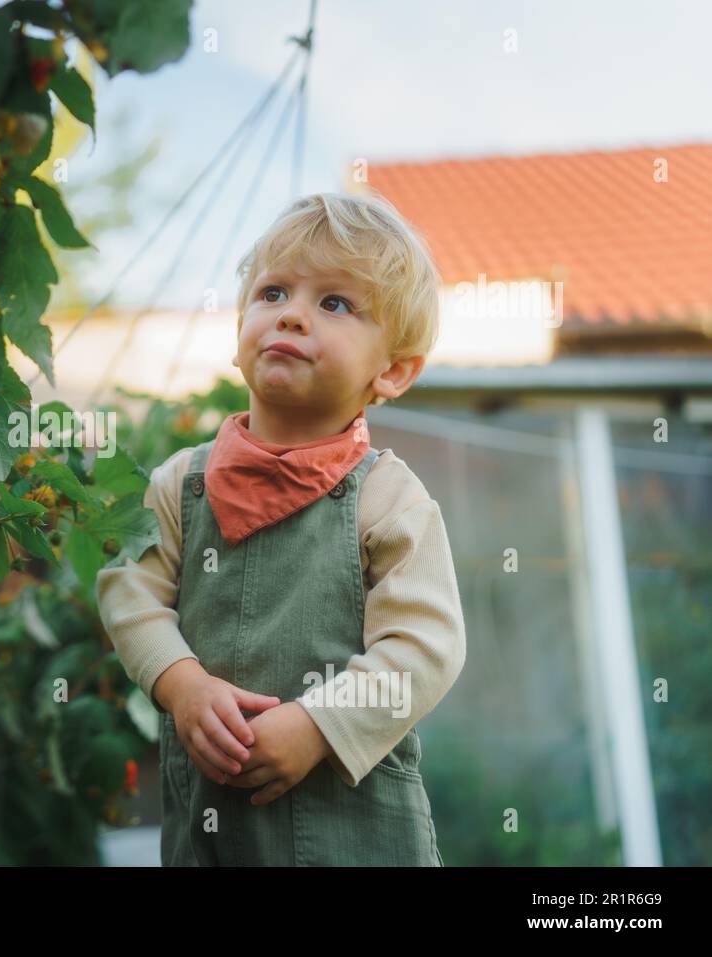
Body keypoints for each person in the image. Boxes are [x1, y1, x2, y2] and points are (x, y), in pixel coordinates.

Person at [96, 192, 467, 866]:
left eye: (334, 304)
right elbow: (129, 589)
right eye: (273, 292)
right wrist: (182, 683)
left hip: (359, 841)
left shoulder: (390, 499)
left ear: (393, 370)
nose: (291, 313)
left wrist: (320, 724)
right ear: (241, 327)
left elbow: (424, 646)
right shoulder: (180, 484)